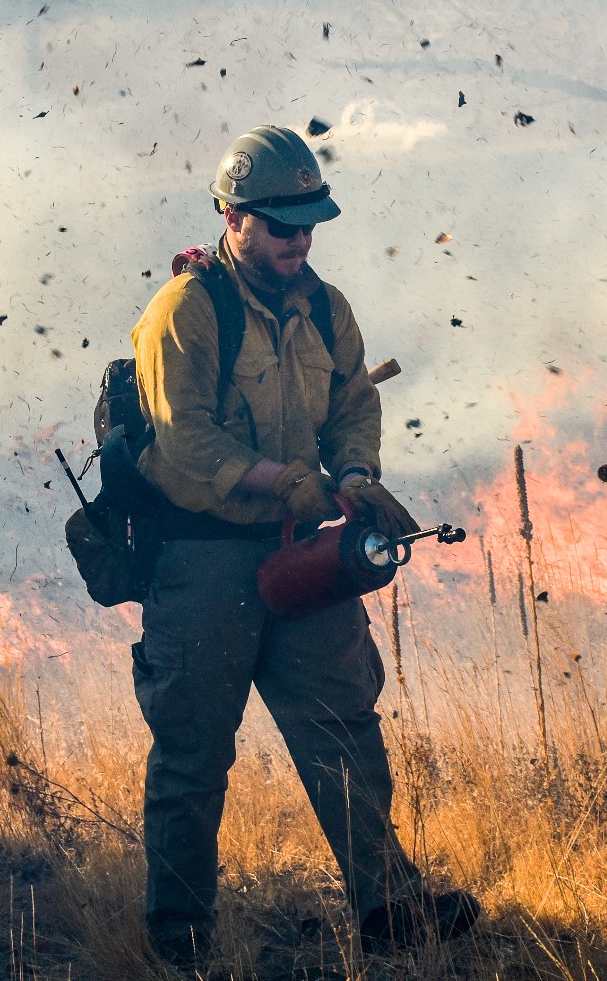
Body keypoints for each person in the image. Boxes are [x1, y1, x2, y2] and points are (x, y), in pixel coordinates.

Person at [127, 125, 479, 968]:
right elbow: (185, 441)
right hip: (203, 560)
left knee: (344, 729)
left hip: (301, 557)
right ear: (234, 217)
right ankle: (180, 943)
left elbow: (353, 405)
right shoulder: (185, 311)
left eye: (311, 224)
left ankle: (390, 911)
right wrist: (286, 479)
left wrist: (352, 473)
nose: (300, 240)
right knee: (193, 755)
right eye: (283, 225)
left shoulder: (326, 308)